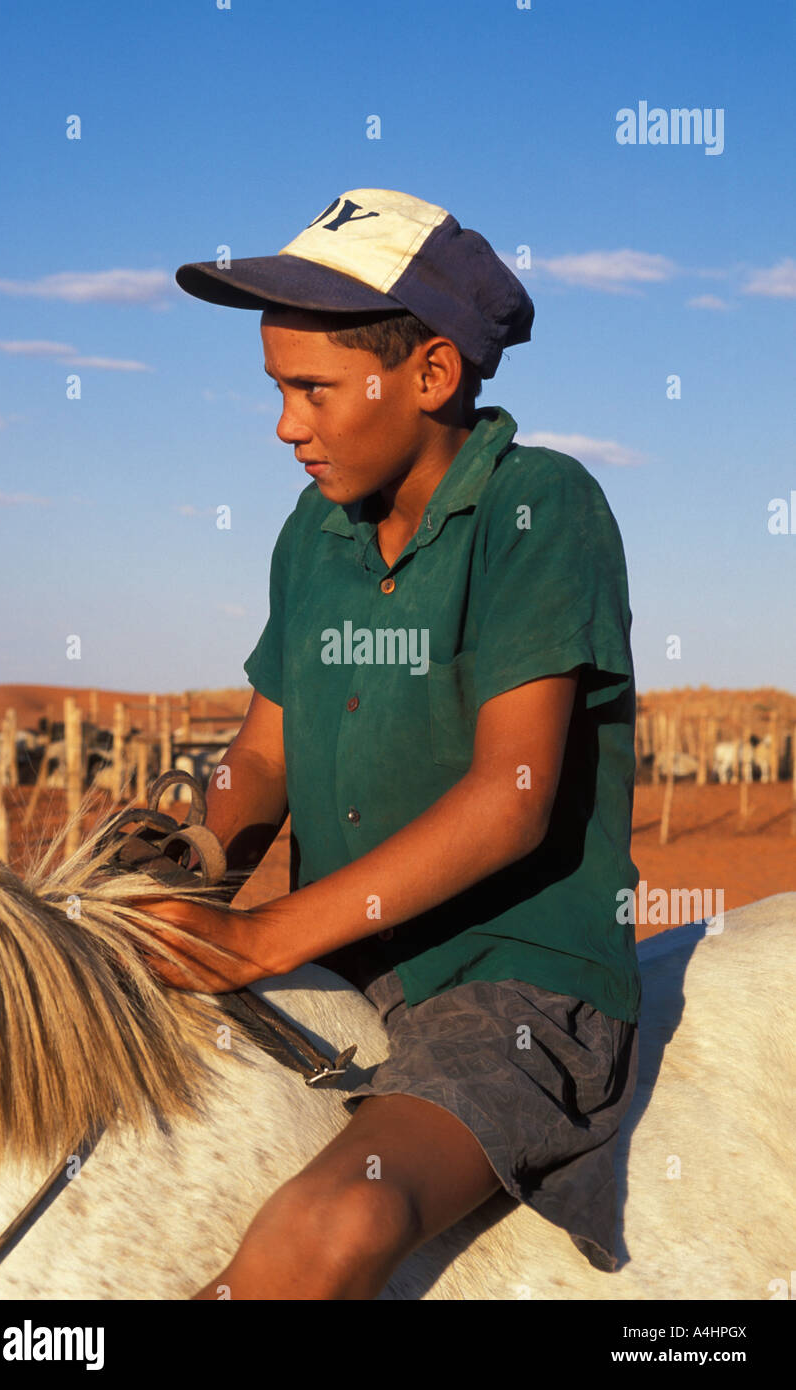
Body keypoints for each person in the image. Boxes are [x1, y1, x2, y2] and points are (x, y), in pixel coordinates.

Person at [139, 188, 642, 1300]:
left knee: (334, 1221)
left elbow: (511, 797)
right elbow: (261, 758)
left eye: (311, 389)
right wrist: (190, 857)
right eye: (277, 390)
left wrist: (263, 936)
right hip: (345, 965)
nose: (285, 425)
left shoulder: (540, 508)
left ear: (430, 376)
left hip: (510, 980)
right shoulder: (315, 535)